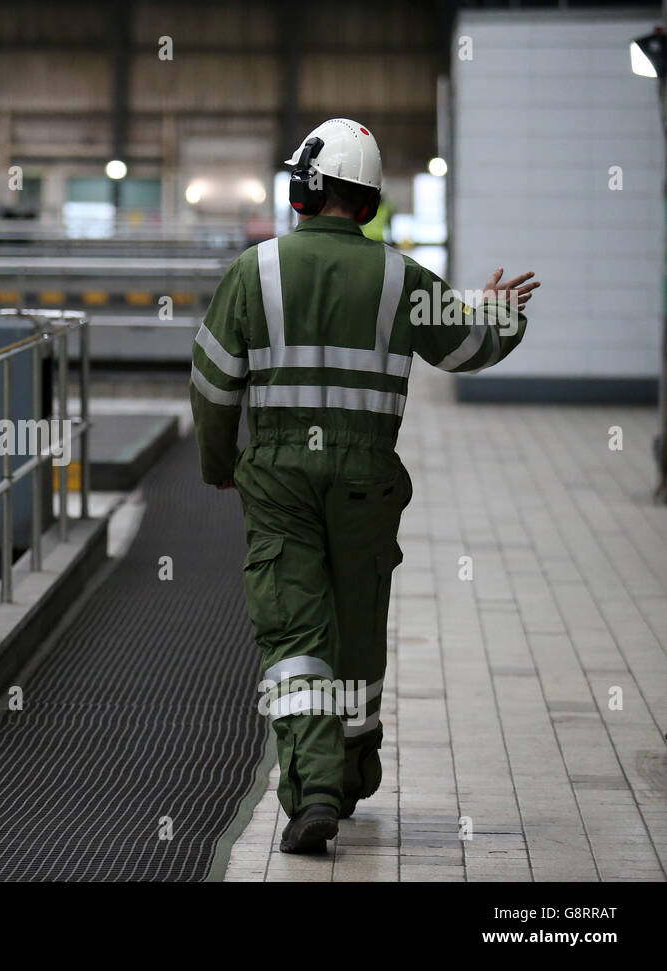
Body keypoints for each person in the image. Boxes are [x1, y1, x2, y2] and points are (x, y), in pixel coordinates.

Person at [190, 118, 539, 853]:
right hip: (366, 483)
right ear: (371, 201)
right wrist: (503, 315)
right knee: (355, 627)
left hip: (281, 480)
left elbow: (214, 383)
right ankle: (352, 762)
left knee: (295, 631)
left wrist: (220, 463)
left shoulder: (255, 272)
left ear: (305, 189)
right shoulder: (399, 275)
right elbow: (468, 344)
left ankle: (314, 785)